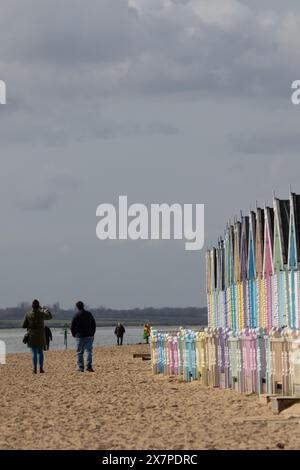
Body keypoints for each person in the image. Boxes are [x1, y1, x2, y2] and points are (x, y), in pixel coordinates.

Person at [22, 299, 52, 374]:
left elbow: (23, 325)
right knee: (41, 352)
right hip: (41, 335)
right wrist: (45, 309)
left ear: (32, 306)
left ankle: (34, 369)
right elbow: (49, 317)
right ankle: (41, 368)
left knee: (34, 352)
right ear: (38, 306)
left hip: (32, 335)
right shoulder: (41, 313)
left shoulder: (28, 314)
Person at [71, 301, 96, 372]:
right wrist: (92, 333)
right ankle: (88, 367)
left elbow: (72, 326)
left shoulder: (76, 315)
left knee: (79, 352)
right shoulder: (89, 314)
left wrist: (74, 334)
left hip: (79, 336)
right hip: (89, 335)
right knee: (88, 351)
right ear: (83, 306)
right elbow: (94, 324)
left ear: (77, 307)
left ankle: (80, 367)